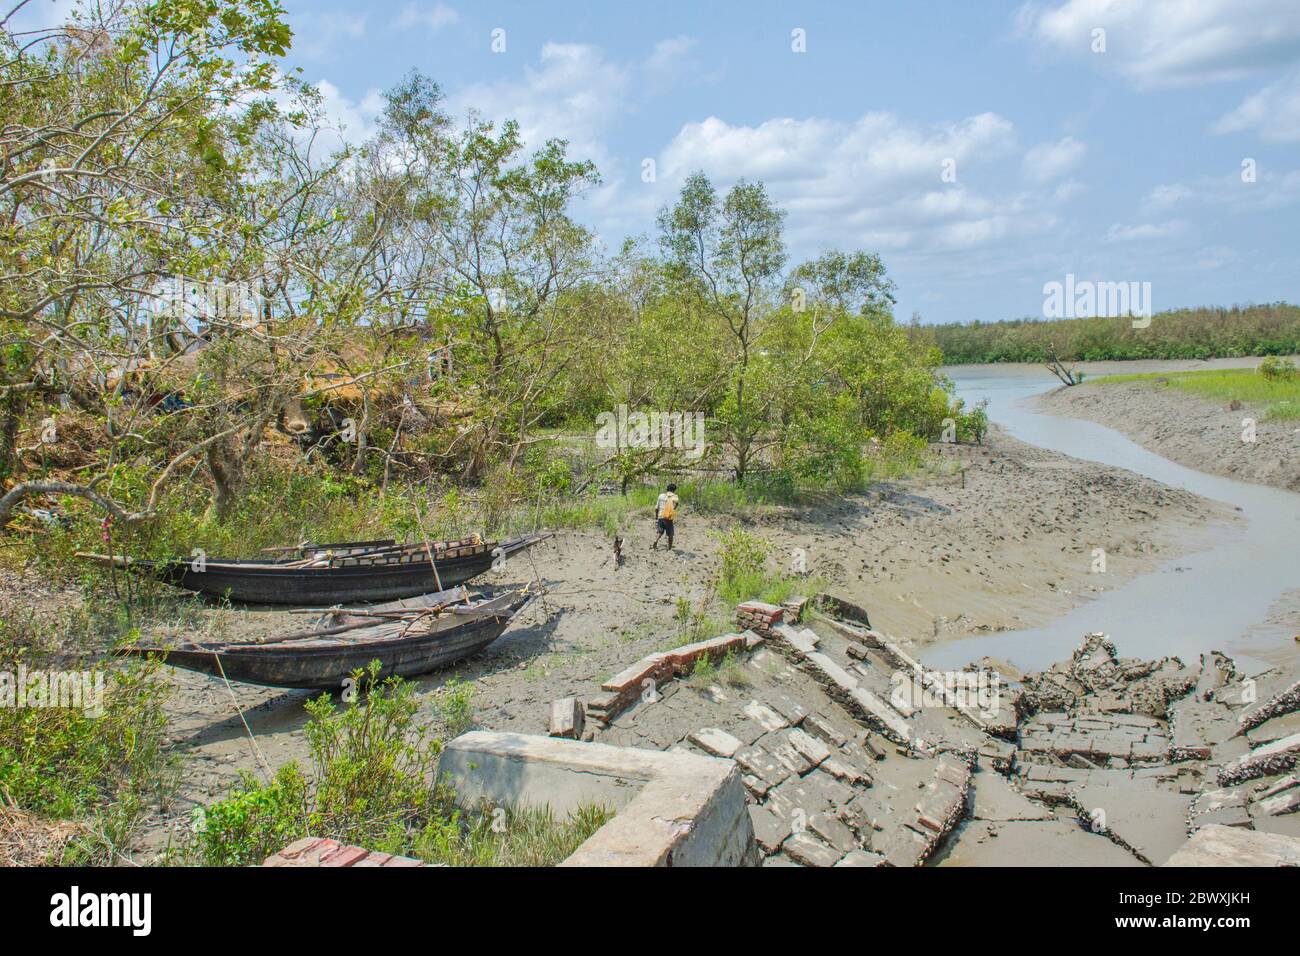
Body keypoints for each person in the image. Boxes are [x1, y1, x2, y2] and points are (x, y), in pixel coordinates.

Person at [652, 483, 679, 550]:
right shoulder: (675, 497)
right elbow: (674, 508)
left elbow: (656, 508)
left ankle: (656, 541)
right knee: (670, 534)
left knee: (660, 531)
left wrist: (656, 517)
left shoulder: (661, 496)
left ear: (667, 489)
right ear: (674, 490)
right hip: (668, 518)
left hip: (660, 516)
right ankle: (669, 548)